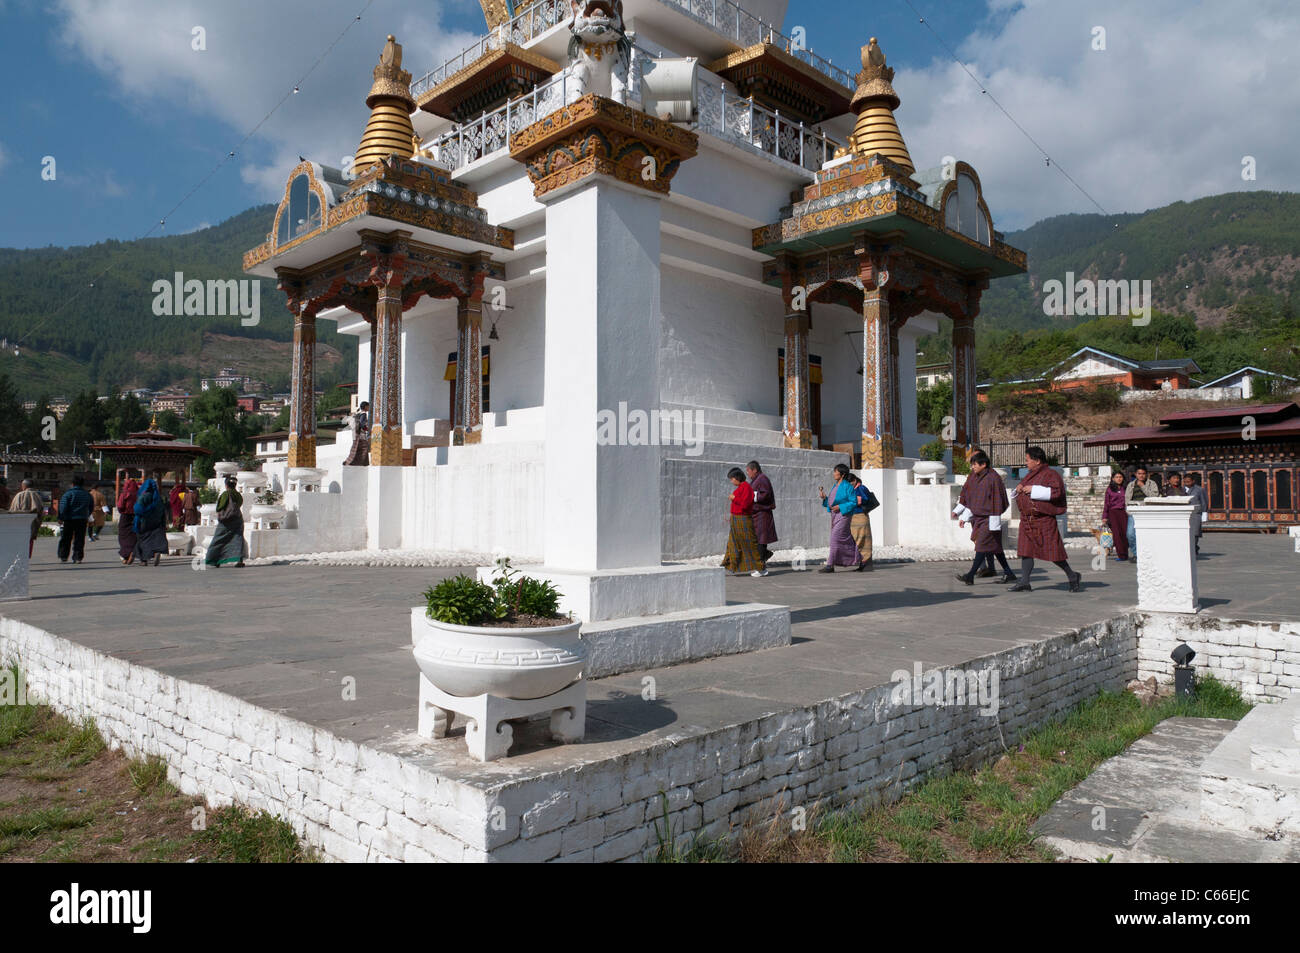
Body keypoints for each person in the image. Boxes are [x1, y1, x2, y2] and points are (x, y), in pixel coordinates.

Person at [1009, 446, 1081, 593]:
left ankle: (1072, 576)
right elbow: (1025, 489)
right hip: (1028, 520)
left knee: (1053, 552)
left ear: (1037, 460)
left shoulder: (1051, 474)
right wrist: (1019, 489)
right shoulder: (1030, 475)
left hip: (1044, 520)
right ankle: (1024, 582)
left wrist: (1033, 490)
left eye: (1027, 460)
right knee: (1026, 551)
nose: (1026, 463)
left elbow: (1057, 492)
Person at [953, 450, 1015, 584]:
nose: (973, 467)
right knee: (996, 547)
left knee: (981, 546)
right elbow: (968, 496)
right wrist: (961, 513)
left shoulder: (993, 478)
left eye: (975, 464)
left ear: (983, 464)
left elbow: (999, 500)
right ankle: (1009, 573)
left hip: (989, 518)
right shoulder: (975, 477)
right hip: (977, 517)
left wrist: (994, 519)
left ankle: (970, 576)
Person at [722, 467, 766, 576]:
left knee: (749, 543)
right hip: (736, 519)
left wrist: (734, 498)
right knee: (733, 543)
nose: (731, 481)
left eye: (732, 479)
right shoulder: (741, 487)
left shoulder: (746, 487)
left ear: (737, 478)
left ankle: (761, 568)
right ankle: (729, 565)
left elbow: (745, 504)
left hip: (743, 519)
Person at [818, 463, 861, 573]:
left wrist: (841, 507)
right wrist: (825, 498)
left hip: (844, 516)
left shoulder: (848, 487)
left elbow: (853, 502)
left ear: (841, 474)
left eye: (835, 471)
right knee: (844, 539)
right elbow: (832, 502)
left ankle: (830, 565)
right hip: (835, 516)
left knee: (835, 538)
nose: (834, 473)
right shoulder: (835, 486)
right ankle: (859, 558)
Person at [205, 474, 247, 568]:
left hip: (226, 520)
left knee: (219, 539)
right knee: (238, 539)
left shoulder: (225, 494)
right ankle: (239, 560)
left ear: (226, 485)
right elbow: (239, 503)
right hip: (237, 519)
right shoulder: (238, 494)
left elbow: (220, 506)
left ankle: (214, 559)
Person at [57, 476, 94, 564]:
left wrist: (61, 517)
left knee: (66, 538)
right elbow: (91, 507)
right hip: (82, 519)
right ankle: (78, 557)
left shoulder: (68, 494)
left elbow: (63, 506)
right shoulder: (87, 494)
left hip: (69, 519)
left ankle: (64, 556)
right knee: (79, 539)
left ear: (72, 484)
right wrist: (86, 515)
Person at [132, 478, 169, 567]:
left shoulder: (144, 496)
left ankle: (144, 560)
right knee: (154, 538)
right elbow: (163, 511)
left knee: (142, 540)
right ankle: (156, 552)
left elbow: (137, 509)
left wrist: (145, 512)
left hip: (144, 522)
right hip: (156, 522)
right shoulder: (158, 498)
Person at [746, 461, 778, 563]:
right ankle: (764, 556)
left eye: (748, 471)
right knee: (757, 539)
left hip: (762, 514)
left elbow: (765, 494)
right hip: (756, 514)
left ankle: (760, 566)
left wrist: (751, 496)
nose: (747, 473)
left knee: (761, 539)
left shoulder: (762, 479)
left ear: (754, 470)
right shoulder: (756, 479)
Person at [1123, 465, 1154, 559]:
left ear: (1146, 474)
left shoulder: (1152, 484)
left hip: (1147, 512)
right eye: (1139, 473)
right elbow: (1127, 499)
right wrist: (1128, 510)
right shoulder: (1131, 485)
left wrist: (1143, 486)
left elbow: (1153, 497)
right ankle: (1136, 553)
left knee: (1147, 534)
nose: (1141, 476)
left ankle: (1148, 553)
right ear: (1136, 474)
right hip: (1134, 512)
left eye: (1143, 474)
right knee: (1130, 534)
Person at [846, 474, 875, 571]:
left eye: (850, 482)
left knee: (863, 539)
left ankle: (866, 563)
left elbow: (865, 499)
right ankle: (862, 562)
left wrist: (853, 500)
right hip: (854, 517)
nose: (849, 484)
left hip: (860, 516)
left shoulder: (861, 488)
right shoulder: (853, 489)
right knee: (858, 539)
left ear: (854, 480)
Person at [9, 479, 43, 558]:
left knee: (20, 540)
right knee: (30, 540)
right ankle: (27, 557)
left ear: (24, 486)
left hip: (19, 523)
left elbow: (13, 510)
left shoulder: (19, 495)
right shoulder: (37, 496)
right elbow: (40, 510)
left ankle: (19, 557)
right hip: (33, 523)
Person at [1101, 470, 1129, 561]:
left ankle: (1126, 553)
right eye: (1117, 477)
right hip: (1113, 513)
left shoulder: (1126, 488)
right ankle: (1121, 555)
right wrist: (1104, 516)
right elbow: (1106, 504)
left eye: (1120, 477)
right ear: (1113, 479)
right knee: (1117, 534)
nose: (1119, 479)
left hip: (1124, 512)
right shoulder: (1109, 489)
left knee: (1125, 533)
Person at [116, 477, 140, 565]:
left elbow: (120, 506)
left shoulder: (125, 493)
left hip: (125, 516)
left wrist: (122, 511)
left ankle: (126, 554)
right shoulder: (139, 494)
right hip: (136, 516)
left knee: (122, 535)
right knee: (133, 535)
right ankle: (130, 552)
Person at [1187, 473, 1209, 554]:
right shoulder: (1182, 489)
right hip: (1186, 514)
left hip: (1196, 513)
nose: (1187, 483)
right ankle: (1193, 548)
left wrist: (1204, 513)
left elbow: (1204, 502)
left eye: (1188, 482)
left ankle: (1194, 547)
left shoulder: (1199, 490)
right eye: (1185, 482)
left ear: (1193, 481)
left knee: (1195, 532)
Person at [344, 401, 371, 466]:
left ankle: (349, 461)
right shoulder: (364, 414)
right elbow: (362, 423)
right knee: (364, 448)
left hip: (356, 434)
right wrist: (367, 429)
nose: (369, 408)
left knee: (356, 447)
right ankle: (360, 463)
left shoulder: (358, 413)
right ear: (365, 407)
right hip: (361, 435)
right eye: (368, 406)